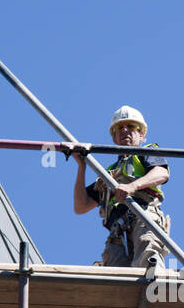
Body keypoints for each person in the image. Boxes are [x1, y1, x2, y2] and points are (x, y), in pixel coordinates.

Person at [71, 107, 170, 271]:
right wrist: (81, 167)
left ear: (141, 134)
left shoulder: (146, 153)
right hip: (118, 232)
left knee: (148, 256)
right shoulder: (108, 175)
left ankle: (153, 290)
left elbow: (161, 173)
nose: (125, 130)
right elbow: (81, 206)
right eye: (119, 128)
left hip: (143, 215)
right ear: (114, 137)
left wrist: (133, 186)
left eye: (131, 126)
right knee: (116, 276)